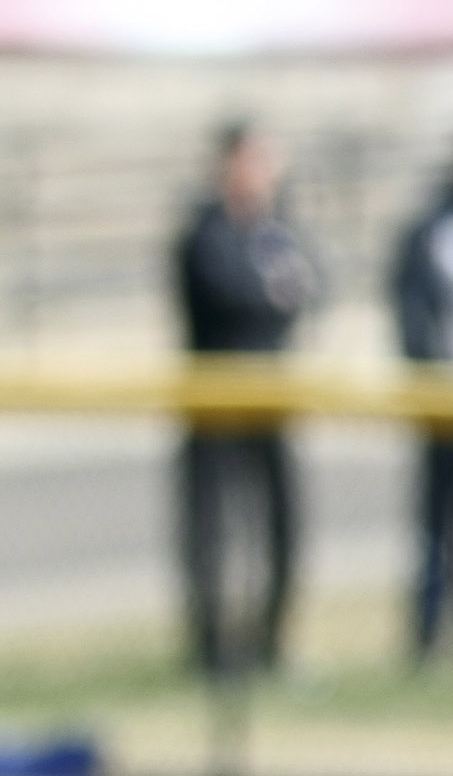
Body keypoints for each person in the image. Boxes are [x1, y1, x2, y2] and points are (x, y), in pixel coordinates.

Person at [171, 122, 318, 675]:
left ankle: (270, 644)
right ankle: (212, 651)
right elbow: (237, 296)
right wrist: (271, 291)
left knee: (282, 523)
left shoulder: (277, 230)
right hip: (216, 401)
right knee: (212, 528)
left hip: (272, 397)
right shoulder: (205, 232)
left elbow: (308, 285)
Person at [391, 128, 453, 661]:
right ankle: (428, 633)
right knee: (437, 524)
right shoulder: (432, 226)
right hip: (446, 398)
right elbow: (409, 301)